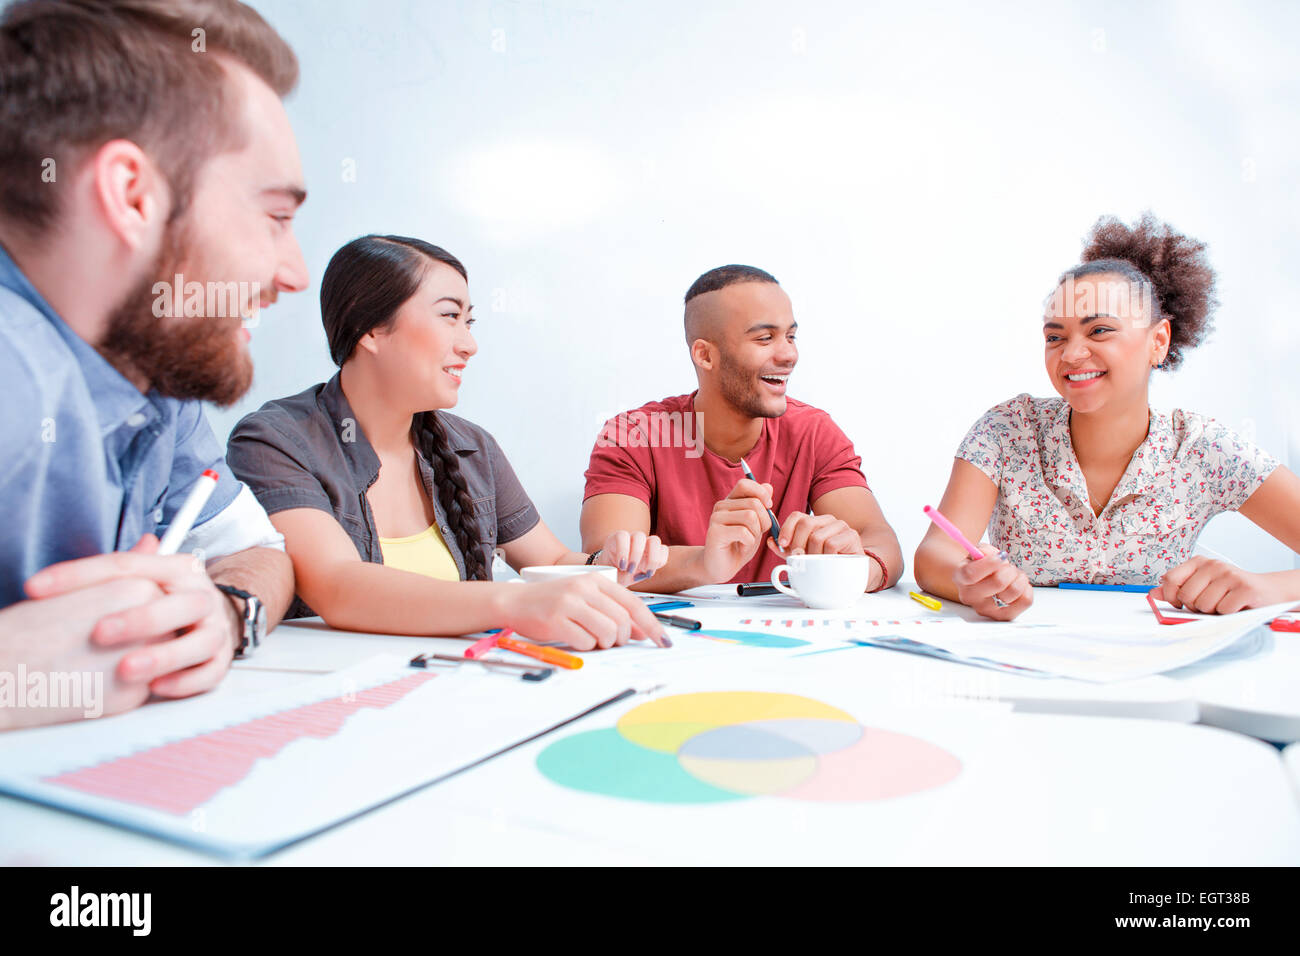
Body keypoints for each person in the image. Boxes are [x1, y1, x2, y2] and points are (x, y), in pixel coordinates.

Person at [0, 0, 307, 729]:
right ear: (133, 195)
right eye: (275, 217)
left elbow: (260, 551)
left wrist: (223, 614)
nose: (294, 271)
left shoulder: (152, 382)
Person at [227, 235, 669, 650]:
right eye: (449, 316)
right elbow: (338, 586)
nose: (470, 344)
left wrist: (602, 565)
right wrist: (509, 604)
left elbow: (550, 560)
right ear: (370, 328)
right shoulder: (275, 441)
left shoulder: (472, 446)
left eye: (469, 320)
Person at [914, 213, 1300, 620]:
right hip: (1028, 656)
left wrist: (1266, 587)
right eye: (1055, 337)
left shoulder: (1204, 449)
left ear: (1158, 341)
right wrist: (967, 580)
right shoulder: (1008, 430)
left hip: (1155, 665)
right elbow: (936, 554)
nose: (1071, 354)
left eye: (1099, 330)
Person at [581, 264, 902, 593]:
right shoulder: (632, 435)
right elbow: (606, 565)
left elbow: (881, 542)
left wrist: (858, 567)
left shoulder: (814, 431)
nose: (790, 354)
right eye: (765, 339)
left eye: (790, 336)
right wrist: (706, 563)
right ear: (705, 355)